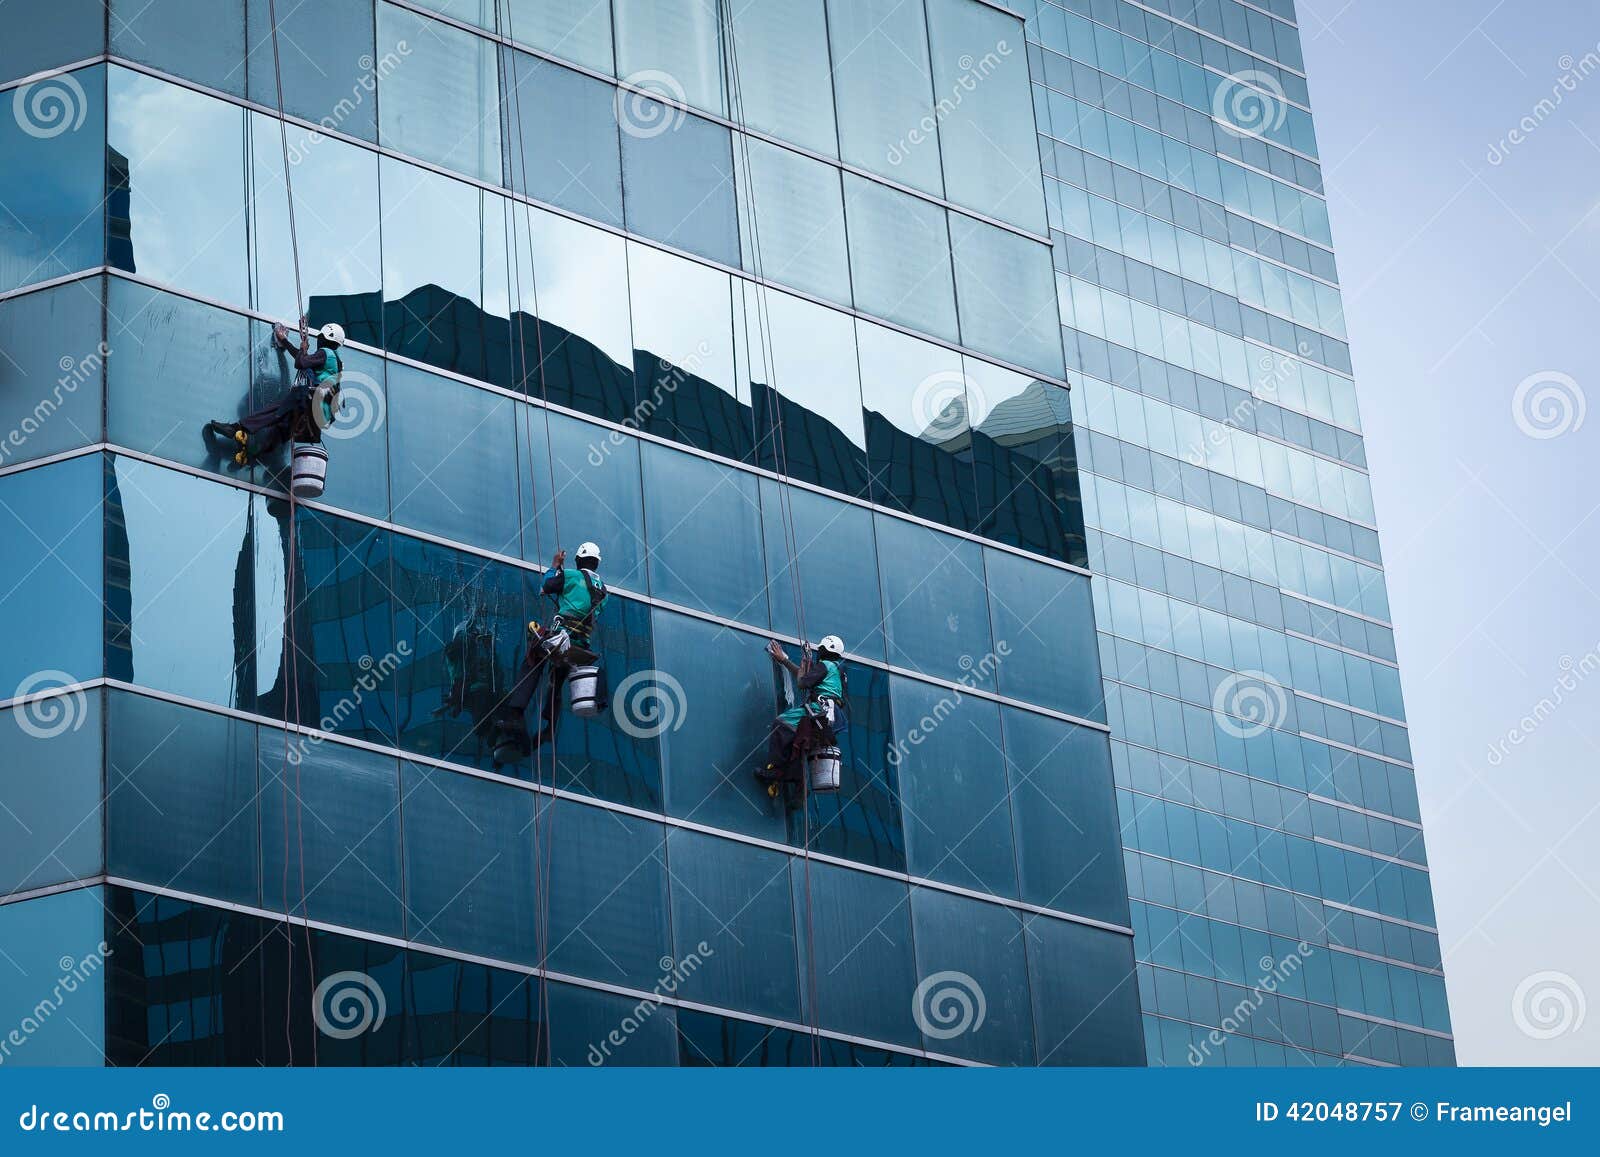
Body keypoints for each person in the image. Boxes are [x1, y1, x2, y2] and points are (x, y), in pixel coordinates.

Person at [492, 542, 607, 762]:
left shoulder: (572, 575)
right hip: (580, 645)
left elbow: (547, 585)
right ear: (597, 562)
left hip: (562, 637)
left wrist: (555, 566)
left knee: (533, 657)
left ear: (578, 560)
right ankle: (549, 727)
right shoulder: (604, 590)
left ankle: (515, 713)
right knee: (557, 679)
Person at [206, 320, 343, 466]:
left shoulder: (326, 353)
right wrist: (285, 343)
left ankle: (236, 428)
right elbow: (302, 359)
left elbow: (300, 362)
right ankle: (252, 455)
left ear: (325, 337)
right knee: (279, 432)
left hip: (309, 400)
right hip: (316, 411)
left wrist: (290, 343)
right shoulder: (333, 361)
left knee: (275, 411)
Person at [757, 634, 845, 790]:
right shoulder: (837, 670)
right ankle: (799, 789)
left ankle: (776, 771)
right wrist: (784, 660)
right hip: (829, 717)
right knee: (798, 742)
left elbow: (802, 682)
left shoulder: (825, 665)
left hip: (819, 711)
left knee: (781, 723)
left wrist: (802, 665)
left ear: (824, 650)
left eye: (820, 650)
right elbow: (805, 676)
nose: (819, 653)